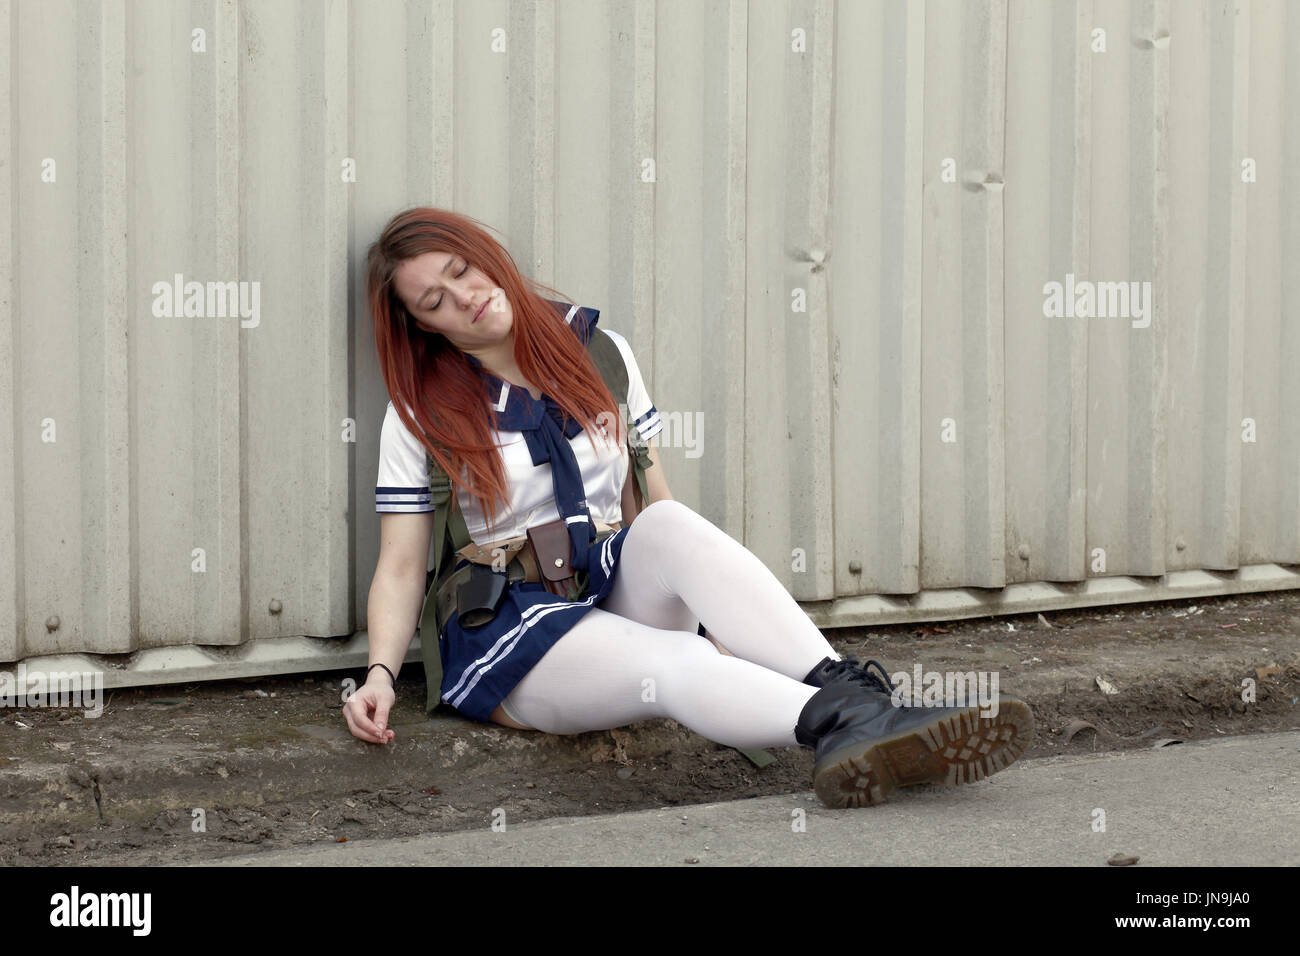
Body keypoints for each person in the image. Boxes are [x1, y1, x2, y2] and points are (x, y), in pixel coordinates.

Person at [343, 206, 1034, 808]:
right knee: (670, 659)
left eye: (463, 270)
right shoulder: (421, 411)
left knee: (669, 527)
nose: (463, 297)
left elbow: (655, 507)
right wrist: (379, 674)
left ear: (488, 258)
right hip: (511, 633)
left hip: (606, 589)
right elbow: (402, 567)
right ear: (421, 326)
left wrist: (720, 626)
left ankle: (858, 704)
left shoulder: (601, 355)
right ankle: (850, 725)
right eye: (433, 300)